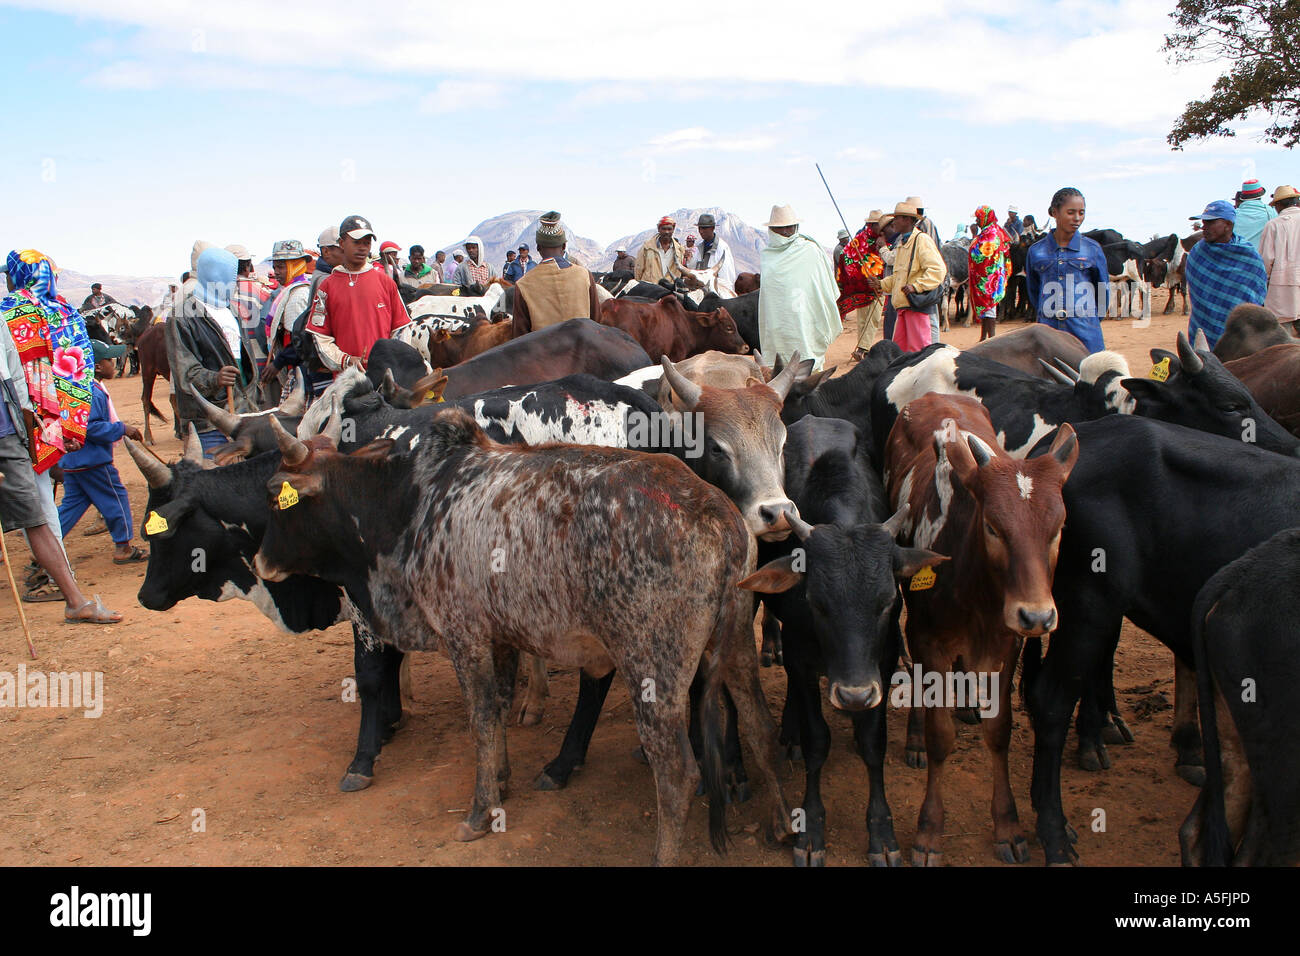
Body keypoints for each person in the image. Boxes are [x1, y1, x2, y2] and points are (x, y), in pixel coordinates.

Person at [1, 318, 121, 623]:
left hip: (8, 433)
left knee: (36, 516)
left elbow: (16, 382)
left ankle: (75, 602)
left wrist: (42, 438)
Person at [57, 343, 146, 563]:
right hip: (93, 460)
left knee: (71, 506)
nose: (114, 364)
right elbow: (91, 428)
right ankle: (123, 548)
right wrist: (122, 428)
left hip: (73, 461)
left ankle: (45, 545)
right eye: (109, 360)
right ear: (97, 366)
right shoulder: (94, 393)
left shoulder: (75, 388)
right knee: (116, 499)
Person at [166, 246, 260, 455]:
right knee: (216, 481)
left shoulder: (231, 310)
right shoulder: (182, 316)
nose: (235, 282)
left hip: (245, 416)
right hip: (209, 423)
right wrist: (214, 378)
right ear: (216, 276)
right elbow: (184, 374)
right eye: (230, 276)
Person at [305, 214, 410, 374]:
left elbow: (401, 329)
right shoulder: (327, 286)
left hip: (384, 378)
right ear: (341, 243)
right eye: (356, 242)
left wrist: (393, 362)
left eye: (366, 243)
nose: (362, 248)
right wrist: (345, 360)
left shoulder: (386, 282)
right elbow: (321, 337)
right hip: (347, 380)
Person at [1025, 188, 1111, 353]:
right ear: (1054, 212)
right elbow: (1034, 291)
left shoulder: (1092, 249)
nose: (1077, 219)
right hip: (1048, 335)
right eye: (1071, 212)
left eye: (1081, 212)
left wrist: (1085, 318)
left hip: (1086, 334)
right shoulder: (1036, 251)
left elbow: (1103, 292)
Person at [757, 204, 842, 370]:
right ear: (772, 230)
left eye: (790, 227)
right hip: (777, 323)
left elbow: (824, 287)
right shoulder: (767, 256)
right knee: (779, 368)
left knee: (808, 361)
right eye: (781, 228)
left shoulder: (810, 251)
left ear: (796, 227)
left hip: (805, 318)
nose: (787, 232)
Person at [1184, 199, 1268, 349]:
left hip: (1239, 335)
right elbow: (1197, 295)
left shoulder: (1248, 256)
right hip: (1202, 327)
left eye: (1211, 223)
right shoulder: (1198, 253)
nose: (1204, 227)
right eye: (1204, 223)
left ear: (1228, 225)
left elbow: (1255, 298)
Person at [512, 211, 603, 336]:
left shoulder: (523, 284)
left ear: (538, 247)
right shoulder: (584, 275)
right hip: (583, 353)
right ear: (564, 246)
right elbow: (596, 322)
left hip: (543, 355)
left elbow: (520, 336)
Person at [877, 201, 947, 352]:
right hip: (905, 307)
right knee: (904, 355)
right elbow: (900, 277)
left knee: (921, 354)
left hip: (917, 308)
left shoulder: (921, 240)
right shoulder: (902, 243)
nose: (894, 222)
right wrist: (880, 284)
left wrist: (916, 286)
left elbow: (938, 269)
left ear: (908, 220)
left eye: (897, 218)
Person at [262, 239, 319, 401]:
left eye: (281, 267)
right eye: (275, 267)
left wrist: (278, 363)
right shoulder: (290, 291)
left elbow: (301, 340)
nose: (276, 272)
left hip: (301, 370)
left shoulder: (298, 295)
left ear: (295, 265)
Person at [836, 212, 885, 362]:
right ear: (872, 225)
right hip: (870, 287)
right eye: (879, 224)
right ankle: (864, 349)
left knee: (866, 319)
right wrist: (863, 278)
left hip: (868, 286)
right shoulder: (866, 241)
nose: (882, 227)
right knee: (871, 319)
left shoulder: (865, 239)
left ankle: (861, 349)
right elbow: (846, 258)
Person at [967, 205, 1012, 341]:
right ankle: (983, 337)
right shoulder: (991, 230)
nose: (977, 221)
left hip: (990, 277)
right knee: (987, 310)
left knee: (990, 307)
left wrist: (974, 242)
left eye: (978, 218)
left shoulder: (991, 233)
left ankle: (991, 338)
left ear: (985, 218)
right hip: (988, 276)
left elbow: (983, 254)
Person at [1260, 184, 1300, 328]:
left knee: (1284, 333)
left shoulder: (1273, 225)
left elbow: (1266, 259)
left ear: (1278, 205)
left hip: (1282, 286)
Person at [683, 213, 736, 288]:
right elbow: (693, 268)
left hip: (716, 294)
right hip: (700, 292)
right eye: (699, 228)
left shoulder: (722, 248)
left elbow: (727, 278)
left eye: (704, 228)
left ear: (712, 228)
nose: (701, 231)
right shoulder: (699, 248)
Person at [635, 216, 685, 283]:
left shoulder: (679, 250)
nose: (667, 232)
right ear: (658, 229)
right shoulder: (646, 247)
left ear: (673, 230)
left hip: (670, 290)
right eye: (664, 229)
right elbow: (638, 270)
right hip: (650, 289)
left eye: (669, 229)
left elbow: (680, 271)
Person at [1233, 179, 1277, 252]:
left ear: (1243, 197)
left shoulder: (1232, 215)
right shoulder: (1272, 213)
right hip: (1261, 261)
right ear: (1261, 195)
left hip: (1237, 259)